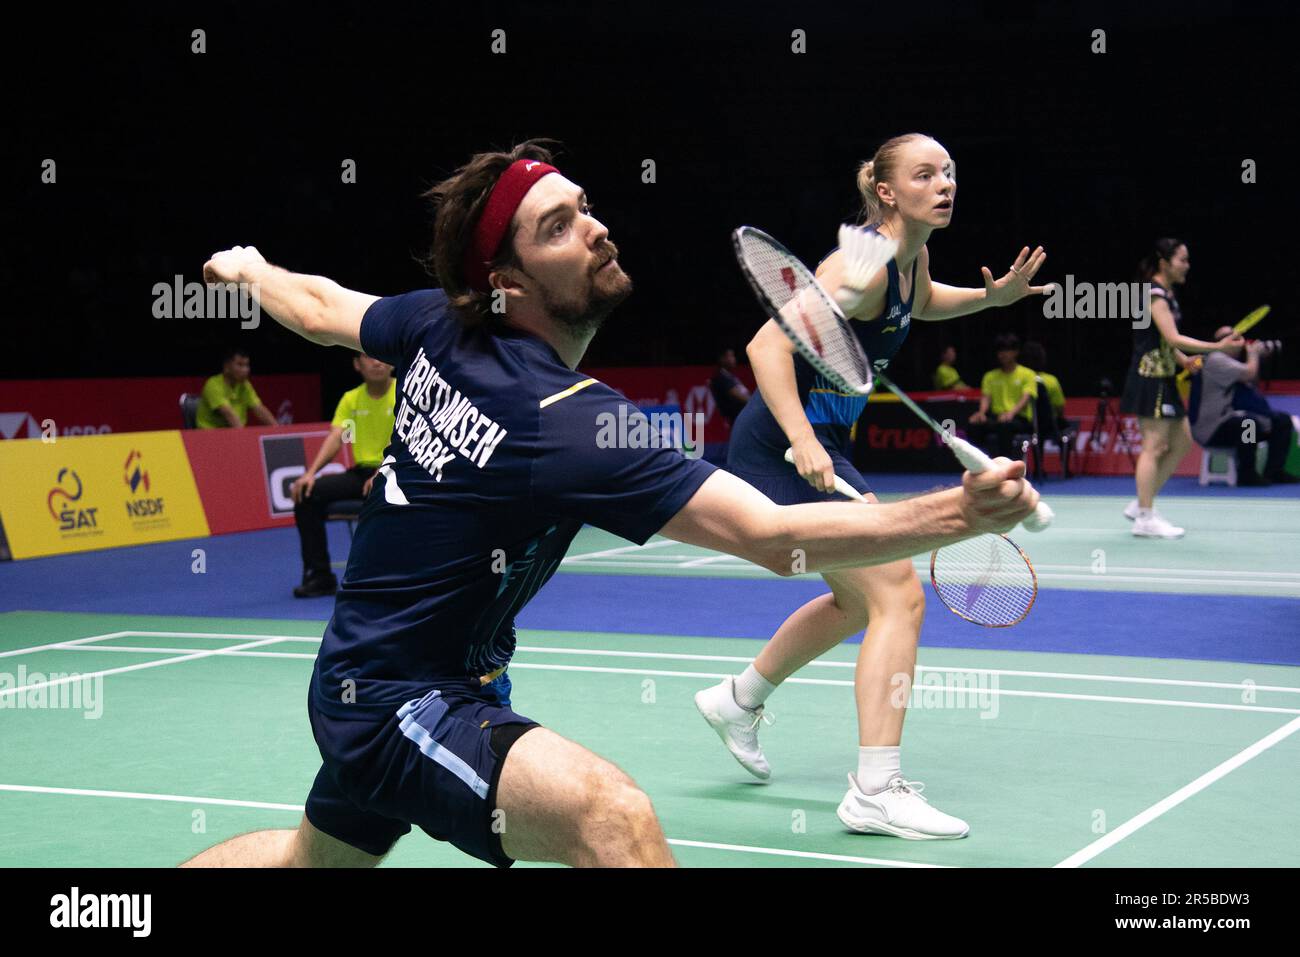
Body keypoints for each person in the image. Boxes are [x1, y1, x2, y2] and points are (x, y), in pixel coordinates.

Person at [182, 140, 1039, 869]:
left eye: (583, 207)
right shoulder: (573, 422)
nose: (593, 226)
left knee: (308, 861)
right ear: (505, 281)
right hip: (395, 698)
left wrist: (249, 267)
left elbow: (321, 306)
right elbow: (774, 538)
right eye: (556, 226)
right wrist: (961, 514)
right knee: (611, 820)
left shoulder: (437, 325)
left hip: (395, 673)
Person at [702, 133, 1048, 841]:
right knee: (897, 590)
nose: (945, 182)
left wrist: (992, 297)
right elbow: (768, 346)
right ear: (886, 192)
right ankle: (874, 789)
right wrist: (801, 441)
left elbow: (920, 303)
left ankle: (738, 699)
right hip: (782, 447)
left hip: (824, 443)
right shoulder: (860, 266)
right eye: (926, 174)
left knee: (854, 601)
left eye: (949, 171)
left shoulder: (908, 255)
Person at [1120, 239, 1244, 538]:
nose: (1187, 265)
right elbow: (1173, 337)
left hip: (1164, 377)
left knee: (1183, 442)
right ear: (1164, 262)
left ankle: (1141, 504)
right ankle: (1145, 518)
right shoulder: (1155, 293)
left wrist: (1183, 361)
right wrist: (1218, 347)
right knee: (1154, 446)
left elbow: (1161, 339)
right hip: (1149, 378)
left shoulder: (1167, 295)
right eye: (1182, 260)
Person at [290, 352, 396, 597]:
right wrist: (310, 473)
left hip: (397, 470)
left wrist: (384, 469)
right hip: (362, 475)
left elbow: (406, 437)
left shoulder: (404, 392)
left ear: (392, 361)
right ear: (357, 365)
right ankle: (320, 575)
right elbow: (337, 437)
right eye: (369, 357)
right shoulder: (352, 399)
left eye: (382, 356)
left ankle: (384, 576)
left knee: (384, 495)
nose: (377, 362)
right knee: (306, 494)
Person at [1191, 328, 1297, 485]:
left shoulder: (1231, 363)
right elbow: (1249, 373)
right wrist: (1253, 355)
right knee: (1248, 425)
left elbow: (1251, 383)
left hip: (1229, 420)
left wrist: (1256, 359)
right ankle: (1246, 474)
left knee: (1282, 421)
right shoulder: (1215, 359)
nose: (1238, 342)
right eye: (1231, 338)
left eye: (1238, 338)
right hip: (1211, 428)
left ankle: (1274, 471)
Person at [967, 333, 1038, 458]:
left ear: (1015, 352)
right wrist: (981, 413)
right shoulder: (990, 376)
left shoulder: (1028, 374)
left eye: (1006, 350)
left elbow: (1025, 398)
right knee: (974, 425)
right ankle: (979, 463)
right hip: (997, 418)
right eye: (1000, 351)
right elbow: (986, 397)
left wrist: (1011, 413)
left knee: (1005, 427)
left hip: (1020, 419)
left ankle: (1005, 465)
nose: (1002, 354)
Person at [195, 348, 279, 428]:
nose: (245, 370)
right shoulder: (213, 385)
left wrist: (279, 431)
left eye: (246, 365)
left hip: (233, 434)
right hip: (210, 436)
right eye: (240, 365)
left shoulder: (245, 386)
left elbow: (260, 410)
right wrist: (244, 439)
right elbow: (229, 415)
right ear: (226, 367)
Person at [709, 347, 751, 425]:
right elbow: (737, 395)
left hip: (742, 415)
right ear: (722, 359)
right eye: (730, 356)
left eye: (733, 356)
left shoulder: (730, 376)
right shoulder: (721, 377)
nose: (733, 359)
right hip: (736, 418)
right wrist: (754, 403)